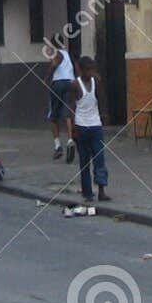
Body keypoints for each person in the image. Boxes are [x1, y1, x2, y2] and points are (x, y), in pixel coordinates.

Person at [67, 56, 109, 212]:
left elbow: (101, 99)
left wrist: (104, 115)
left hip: (95, 125)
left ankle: (102, 190)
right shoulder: (75, 85)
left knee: (99, 158)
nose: (90, 73)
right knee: (84, 161)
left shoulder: (95, 82)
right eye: (88, 70)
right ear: (81, 70)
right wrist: (72, 130)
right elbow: (71, 107)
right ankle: (87, 192)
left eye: (92, 70)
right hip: (81, 126)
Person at [46, 39, 76, 161]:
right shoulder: (68, 54)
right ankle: (70, 140)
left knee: (53, 116)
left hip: (58, 83)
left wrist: (47, 77)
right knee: (68, 114)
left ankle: (58, 145)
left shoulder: (56, 53)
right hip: (70, 83)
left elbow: (55, 64)